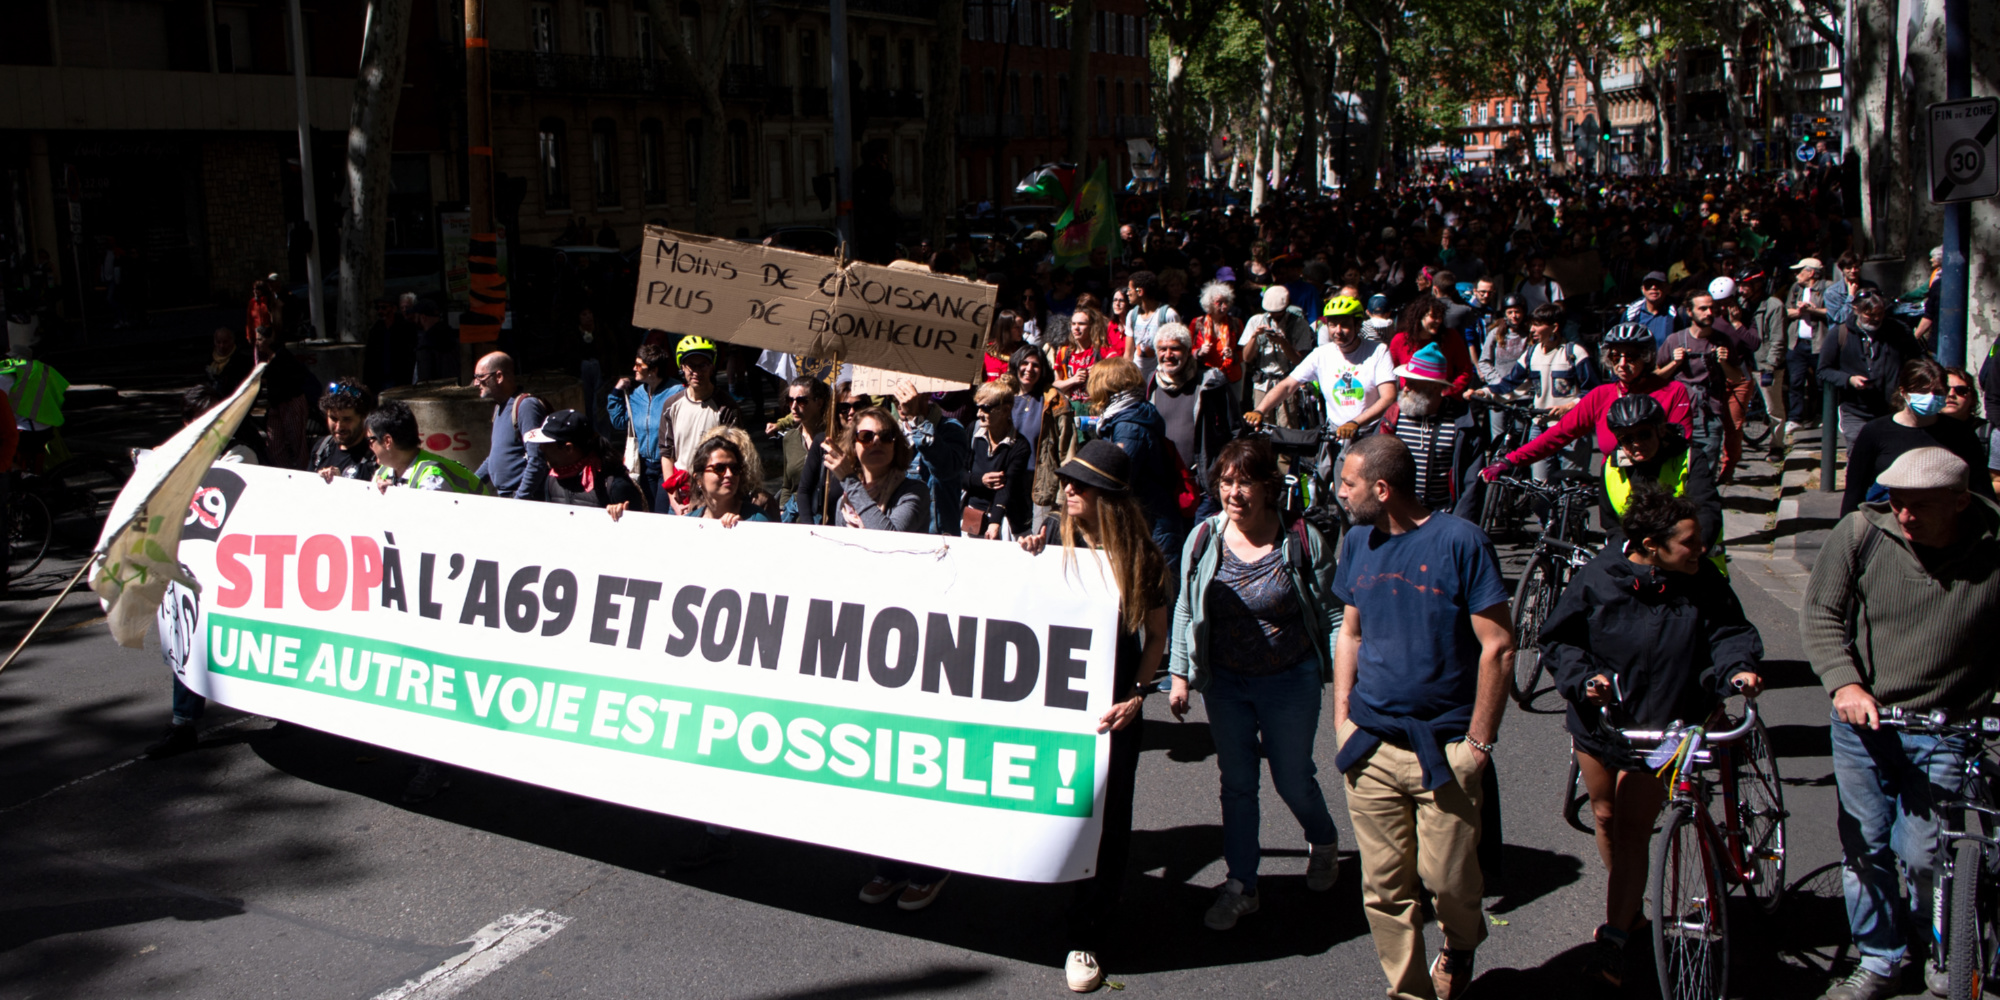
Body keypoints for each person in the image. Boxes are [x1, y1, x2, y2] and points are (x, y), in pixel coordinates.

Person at [1544, 488, 1765, 987]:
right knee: (1604, 814)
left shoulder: (1703, 580)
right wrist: (1584, 681)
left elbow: (1729, 632)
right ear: (1650, 544)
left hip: (1668, 728)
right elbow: (1560, 640)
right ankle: (1631, 906)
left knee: (1632, 826)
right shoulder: (1599, 579)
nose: (1701, 550)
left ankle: (1615, 940)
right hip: (1602, 724)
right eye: (1689, 543)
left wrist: (1738, 669)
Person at [1802, 447, 2000, 1000]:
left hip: (1949, 723)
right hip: (1866, 722)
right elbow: (1821, 613)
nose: (1904, 515)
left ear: (1960, 502)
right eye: (1896, 502)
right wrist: (1845, 683)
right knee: (1865, 845)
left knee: (1922, 852)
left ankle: (1940, 946)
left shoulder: (1993, 550)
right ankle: (1880, 959)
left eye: (1919, 505)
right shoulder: (1862, 534)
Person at [1331, 433, 1514, 1000]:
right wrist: (1342, 718)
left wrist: (1478, 746)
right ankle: (1410, 993)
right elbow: (1351, 633)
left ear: (1382, 490)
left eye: (1349, 484)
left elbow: (1499, 646)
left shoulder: (1462, 541)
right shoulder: (1358, 541)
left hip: (1445, 750)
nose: (1340, 493)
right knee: (1383, 889)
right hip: (1372, 746)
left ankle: (1460, 945)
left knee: (1449, 882)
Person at [1168, 436, 1343, 932]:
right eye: (1226, 481)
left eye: (1245, 481)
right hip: (1225, 683)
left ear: (1269, 486)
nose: (1234, 492)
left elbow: (1332, 616)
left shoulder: (1301, 540)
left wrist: (1346, 693)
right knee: (1238, 785)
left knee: (1292, 777)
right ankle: (1242, 885)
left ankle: (1323, 838)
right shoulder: (1204, 538)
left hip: (1290, 680)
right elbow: (1186, 606)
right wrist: (1180, 676)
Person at [1015, 439, 1169, 993]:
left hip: (1111, 716)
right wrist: (1029, 554)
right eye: (1068, 481)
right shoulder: (1056, 540)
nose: (1068, 490)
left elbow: (1156, 636)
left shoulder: (1143, 559)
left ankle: (1089, 934)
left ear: (1109, 496)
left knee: (1107, 823)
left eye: (1081, 484)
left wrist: (1137, 693)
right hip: (1054, 709)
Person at [1480, 322, 1693, 485]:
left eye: (1631, 357)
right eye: (1615, 356)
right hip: (1617, 487)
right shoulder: (1602, 395)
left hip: (1662, 485)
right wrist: (1510, 460)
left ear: (1646, 357)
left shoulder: (1673, 391)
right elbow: (1558, 434)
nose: (1622, 364)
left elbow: (1683, 445)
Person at [1841, 360, 1995, 515]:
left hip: (1945, 525)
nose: (1931, 397)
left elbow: (1981, 489)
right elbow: (1855, 491)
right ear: (1903, 392)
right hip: (1888, 521)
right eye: (1922, 391)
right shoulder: (1875, 431)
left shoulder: (1960, 433)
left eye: (1938, 392)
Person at [1251, 295, 1397, 445]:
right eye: (1332, 325)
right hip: (1335, 435)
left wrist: (1355, 423)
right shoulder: (1321, 354)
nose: (1338, 331)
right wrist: (1260, 410)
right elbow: (1288, 385)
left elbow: (1388, 397)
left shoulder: (1378, 351)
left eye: (1344, 325)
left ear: (1358, 324)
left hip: (1368, 433)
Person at [1089, 357, 1182, 570]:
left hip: (1152, 523)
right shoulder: (1130, 415)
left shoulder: (1129, 426)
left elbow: (1119, 477)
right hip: (1148, 519)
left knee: (1156, 591)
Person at [1658, 292, 1753, 481]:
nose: (1709, 312)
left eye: (1712, 308)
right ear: (1690, 312)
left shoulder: (1723, 341)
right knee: (1676, 462)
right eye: (1703, 308)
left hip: (1710, 412)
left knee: (1706, 465)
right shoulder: (1675, 340)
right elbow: (1657, 377)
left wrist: (1724, 363)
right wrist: (1674, 364)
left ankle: (1703, 504)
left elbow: (1738, 377)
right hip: (1679, 412)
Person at [1147, 324, 1236, 516]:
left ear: (1188, 351)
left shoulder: (1211, 382)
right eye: (1162, 349)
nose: (1168, 355)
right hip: (1164, 487)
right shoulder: (1151, 383)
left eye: (1175, 348)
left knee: (1199, 543)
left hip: (1203, 487)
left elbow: (1234, 430)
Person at [1819, 287, 1922, 448]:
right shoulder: (1839, 334)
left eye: (1880, 313)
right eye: (1870, 314)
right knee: (1860, 456)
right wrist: (1849, 379)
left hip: (1892, 409)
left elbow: (1918, 360)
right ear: (1856, 310)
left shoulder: (1898, 330)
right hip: (1856, 410)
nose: (1876, 318)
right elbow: (1824, 370)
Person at [659, 336, 739, 513]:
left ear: (712, 367)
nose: (696, 371)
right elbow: (667, 453)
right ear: (682, 367)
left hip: (713, 493)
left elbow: (734, 454)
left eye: (702, 365)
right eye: (691, 365)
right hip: (680, 491)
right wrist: (673, 497)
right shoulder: (671, 405)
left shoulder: (725, 406)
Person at [822, 406, 931, 532]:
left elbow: (888, 539)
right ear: (853, 446)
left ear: (895, 445)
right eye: (866, 436)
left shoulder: (914, 492)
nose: (877, 441)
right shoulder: (845, 502)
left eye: (886, 436)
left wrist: (850, 481)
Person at [525, 409, 646, 515]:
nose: (541, 448)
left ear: (568, 448)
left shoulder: (614, 485)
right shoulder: (552, 480)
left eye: (546, 445)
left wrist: (621, 515)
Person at [893, 380, 971, 535]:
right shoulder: (890, 434)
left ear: (927, 394)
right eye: (896, 397)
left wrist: (917, 422)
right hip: (901, 535)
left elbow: (946, 469)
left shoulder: (951, 428)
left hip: (938, 537)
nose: (902, 402)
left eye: (910, 395)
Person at [1012, 346, 1075, 531]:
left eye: (1035, 365)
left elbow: (1067, 449)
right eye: (1024, 363)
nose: (1029, 369)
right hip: (1010, 480)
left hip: (1042, 481)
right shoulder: (1003, 396)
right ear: (1016, 365)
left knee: (1040, 537)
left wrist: (1064, 493)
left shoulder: (1054, 400)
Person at [366, 400, 488, 496]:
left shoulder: (432, 477)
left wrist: (396, 496)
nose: (369, 446)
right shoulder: (383, 473)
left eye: (370, 440)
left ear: (388, 441)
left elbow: (432, 522)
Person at [609, 343, 680, 506]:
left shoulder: (677, 392)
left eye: (639, 365)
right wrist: (616, 393)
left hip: (669, 465)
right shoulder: (637, 394)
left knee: (662, 513)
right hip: (644, 466)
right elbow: (620, 422)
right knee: (647, 510)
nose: (634, 368)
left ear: (653, 370)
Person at [471, 352, 548, 501]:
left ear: (499, 377)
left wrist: (519, 498)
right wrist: (471, 482)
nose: (476, 383)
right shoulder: (499, 407)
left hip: (523, 499)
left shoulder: (526, 406)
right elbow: (496, 456)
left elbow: (537, 460)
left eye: (480, 377)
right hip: (506, 497)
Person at [962, 381, 1031, 538]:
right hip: (973, 515)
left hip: (1007, 519)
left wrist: (995, 522)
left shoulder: (1020, 446)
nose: (979, 414)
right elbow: (958, 473)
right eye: (977, 407)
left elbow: (1008, 486)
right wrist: (980, 480)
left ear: (1005, 410)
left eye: (985, 408)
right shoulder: (973, 430)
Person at [1238, 286, 1311, 427]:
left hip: (1287, 382)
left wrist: (1283, 342)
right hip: (1262, 383)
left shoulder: (1299, 324)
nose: (1274, 316)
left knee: (1287, 426)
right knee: (1262, 425)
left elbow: (1298, 361)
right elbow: (1246, 358)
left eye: (1278, 312)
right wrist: (1254, 336)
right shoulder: (1256, 321)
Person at [252, 323, 319, 470]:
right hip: (276, 405)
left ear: (269, 340)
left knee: (297, 443)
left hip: (291, 402)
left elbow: (288, 380)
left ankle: (304, 473)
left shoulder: (282, 357)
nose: (257, 343)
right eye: (256, 339)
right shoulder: (264, 359)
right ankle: (284, 470)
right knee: (274, 444)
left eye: (261, 339)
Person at [776, 376, 836, 524]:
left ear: (819, 403)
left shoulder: (832, 439)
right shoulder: (790, 438)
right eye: (790, 400)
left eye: (801, 401)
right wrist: (782, 509)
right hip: (795, 519)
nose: (794, 407)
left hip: (827, 518)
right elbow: (787, 485)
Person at [682, 427, 769, 524]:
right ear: (699, 479)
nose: (729, 474)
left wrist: (744, 530)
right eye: (719, 468)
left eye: (734, 468)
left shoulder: (757, 519)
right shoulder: (689, 521)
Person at [1780, 258, 1828, 431]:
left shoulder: (1827, 288)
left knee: (1822, 382)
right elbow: (1786, 311)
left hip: (1819, 343)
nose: (1796, 275)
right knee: (1796, 381)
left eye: (1800, 271)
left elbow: (1833, 311)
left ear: (1812, 272)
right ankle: (1795, 418)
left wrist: (1813, 310)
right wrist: (1800, 311)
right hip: (1797, 343)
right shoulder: (1795, 289)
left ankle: (1823, 415)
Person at [309, 378, 379, 482]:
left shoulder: (376, 457)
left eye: (347, 419)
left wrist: (341, 483)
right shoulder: (321, 449)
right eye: (334, 419)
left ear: (364, 418)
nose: (339, 427)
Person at [1189, 281, 1244, 398]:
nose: (1224, 306)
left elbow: (1245, 351)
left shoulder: (1236, 323)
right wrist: (1199, 352)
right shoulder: (1197, 323)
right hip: (1205, 376)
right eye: (1219, 303)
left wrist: (1233, 355)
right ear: (1209, 304)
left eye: (1226, 302)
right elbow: (1187, 349)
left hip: (1231, 377)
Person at [1123, 271, 1182, 378]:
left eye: (1129, 289)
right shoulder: (1132, 315)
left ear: (1139, 291)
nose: (1127, 293)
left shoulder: (1168, 314)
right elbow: (1129, 352)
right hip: (1138, 377)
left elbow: (1179, 347)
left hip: (1161, 376)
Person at [1054, 306, 1120, 400]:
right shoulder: (1064, 353)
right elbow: (1056, 385)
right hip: (1072, 407)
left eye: (1081, 324)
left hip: (1095, 406)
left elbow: (1120, 371)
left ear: (1091, 327)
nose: (1076, 328)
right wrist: (1073, 380)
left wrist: (1100, 371)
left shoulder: (1102, 350)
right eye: (1073, 324)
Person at [1622, 271, 1680, 347]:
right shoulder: (1631, 314)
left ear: (1667, 288)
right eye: (1648, 285)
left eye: (1658, 285)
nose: (1653, 287)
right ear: (1643, 289)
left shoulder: (1677, 314)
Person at [411, 299, 458, 382]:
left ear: (423, 318)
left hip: (435, 391)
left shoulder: (425, 345)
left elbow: (425, 379)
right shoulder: (453, 337)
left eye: (416, 317)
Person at [205, 325, 252, 395]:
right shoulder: (210, 359)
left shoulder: (241, 360)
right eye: (218, 342)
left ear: (232, 341)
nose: (222, 346)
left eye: (225, 342)